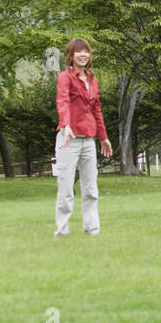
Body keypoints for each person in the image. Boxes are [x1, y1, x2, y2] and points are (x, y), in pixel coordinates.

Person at [54, 38, 113, 236]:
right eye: (78, 52)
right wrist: (66, 125)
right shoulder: (65, 77)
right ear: (70, 56)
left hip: (88, 140)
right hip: (68, 139)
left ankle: (92, 230)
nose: (83, 55)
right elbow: (62, 102)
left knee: (91, 189)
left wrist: (103, 137)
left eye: (86, 51)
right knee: (66, 188)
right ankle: (62, 231)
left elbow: (96, 109)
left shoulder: (92, 79)